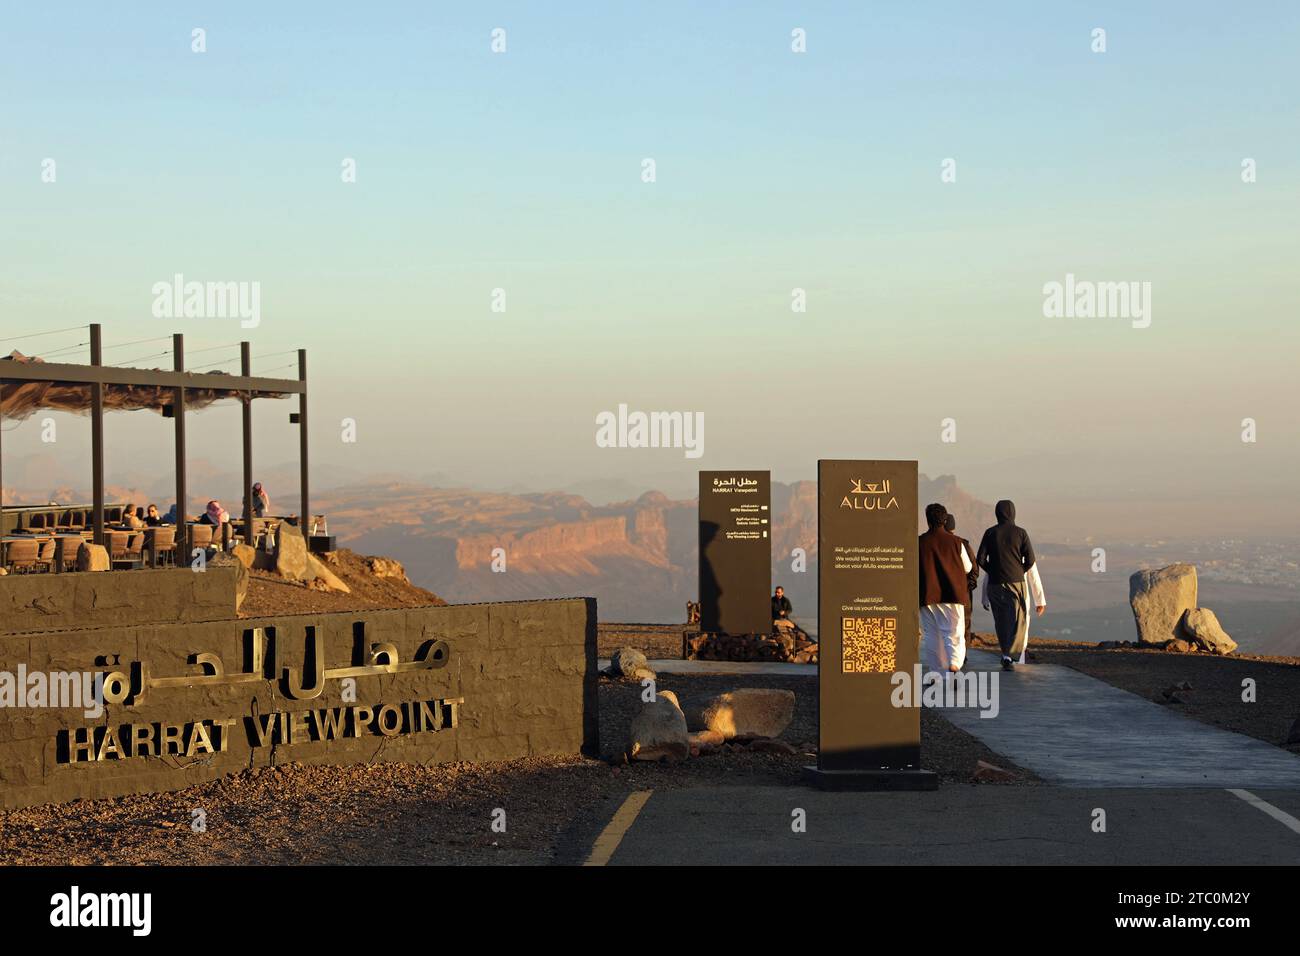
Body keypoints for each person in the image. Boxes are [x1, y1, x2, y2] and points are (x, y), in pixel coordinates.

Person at [976, 500, 1046, 671]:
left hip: (994, 584)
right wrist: (1017, 570)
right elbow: (1030, 561)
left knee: (1000, 621)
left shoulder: (990, 533)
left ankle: (1005, 653)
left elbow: (980, 559)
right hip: (1016, 583)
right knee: (1019, 620)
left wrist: (993, 571)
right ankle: (1010, 656)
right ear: (1013, 513)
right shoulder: (1021, 533)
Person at [918, 503, 974, 673]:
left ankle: (935, 673)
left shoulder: (919, 542)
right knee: (954, 634)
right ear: (944, 520)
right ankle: (955, 665)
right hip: (952, 594)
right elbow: (968, 568)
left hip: (927, 595)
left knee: (932, 635)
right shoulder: (957, 542)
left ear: (928, 521)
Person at [944, 513, 979, 646]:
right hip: (963, 591)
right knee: (964, 622)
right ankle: (963, 654)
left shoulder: (940, 544)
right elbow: (974, 569)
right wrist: (968, 586)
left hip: (946, 591)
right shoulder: (962, 543)